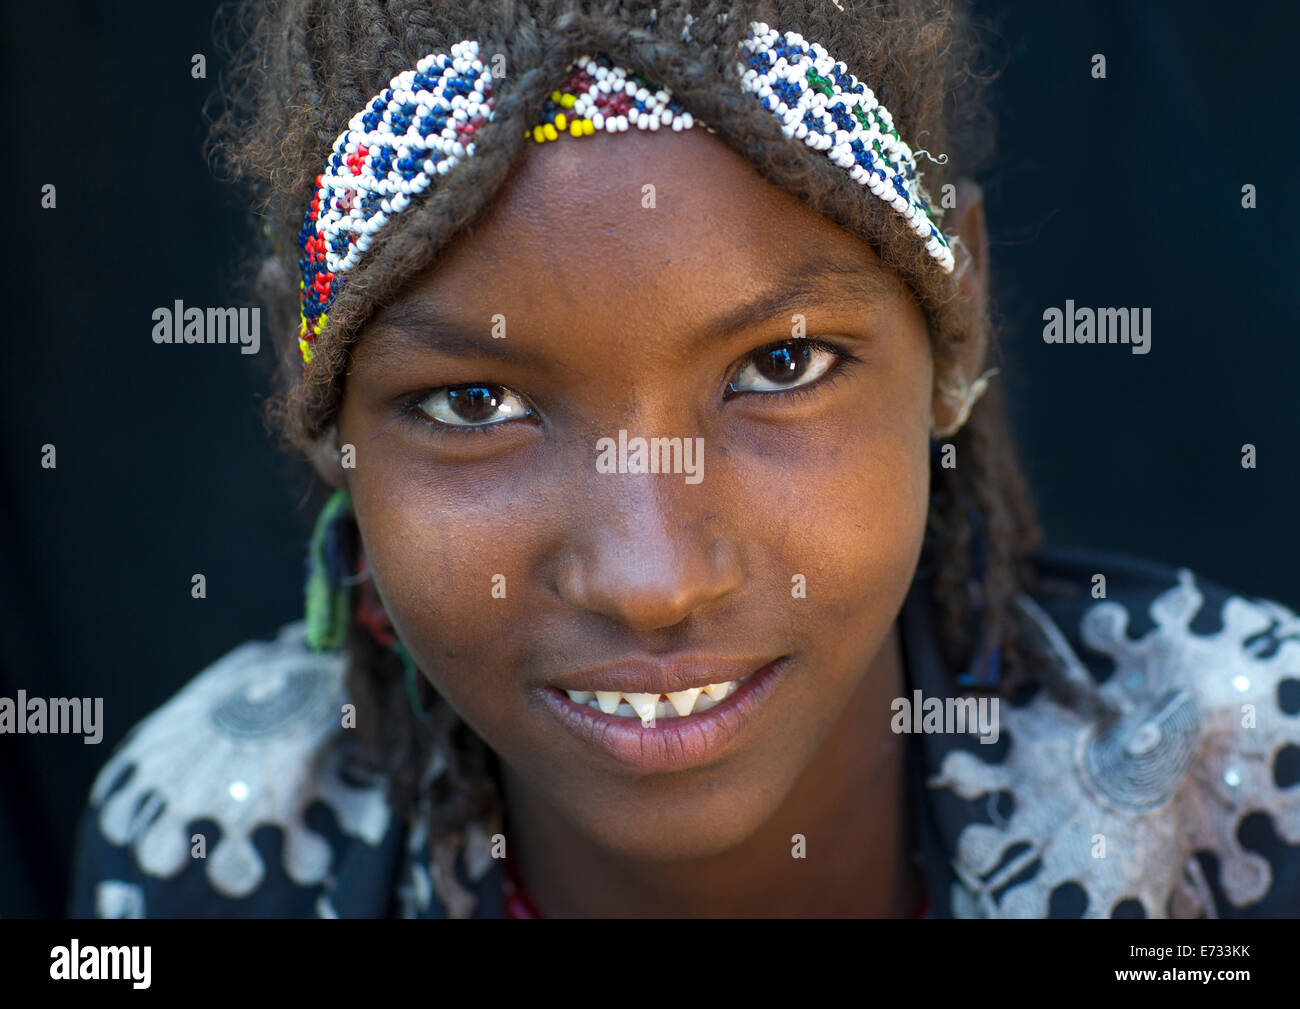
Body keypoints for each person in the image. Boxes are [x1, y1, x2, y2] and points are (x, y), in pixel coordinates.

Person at [69, 0, 1300, 918]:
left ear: (956, 319)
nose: (651, 580)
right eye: (476, 398)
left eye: (779, 366)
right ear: (313, 394)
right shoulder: (202, 839)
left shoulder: (1246, 787)